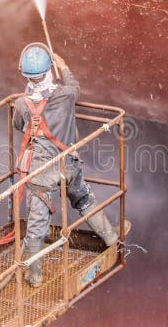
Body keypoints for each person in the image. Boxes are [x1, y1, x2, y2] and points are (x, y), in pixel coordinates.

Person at [13, 43, 121, 287]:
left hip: (41, 175)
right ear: (50, 69)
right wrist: (64, 66)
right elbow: (75, 87)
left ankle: (35, 275)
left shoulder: (22, 104)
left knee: (37, 226)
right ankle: (111, 238)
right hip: (69, 166)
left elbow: (20, 126)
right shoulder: (65, 94)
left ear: (25, 74)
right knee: (84, 199)